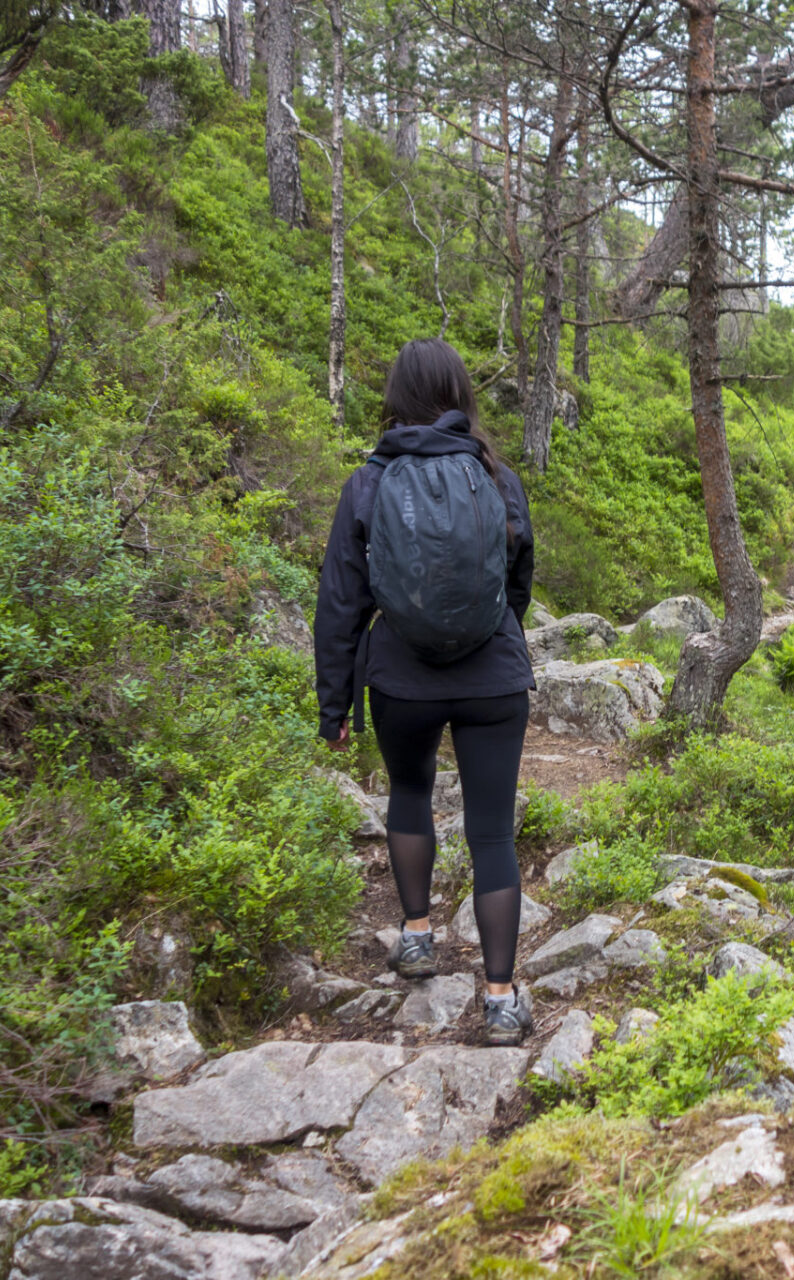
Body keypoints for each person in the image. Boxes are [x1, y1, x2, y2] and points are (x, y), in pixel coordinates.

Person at [313, 337, 536, 1046]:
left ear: (396, 399)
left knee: (409, 796)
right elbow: (519, 580)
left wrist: (335, 705)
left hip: (401, 681)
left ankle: (415, 937)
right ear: (461, 395)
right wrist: (493, 638)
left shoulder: (368, 484)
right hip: (493, 676)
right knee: (493, 830)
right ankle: (500, 999)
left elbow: (340, 604)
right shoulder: (496, 477)